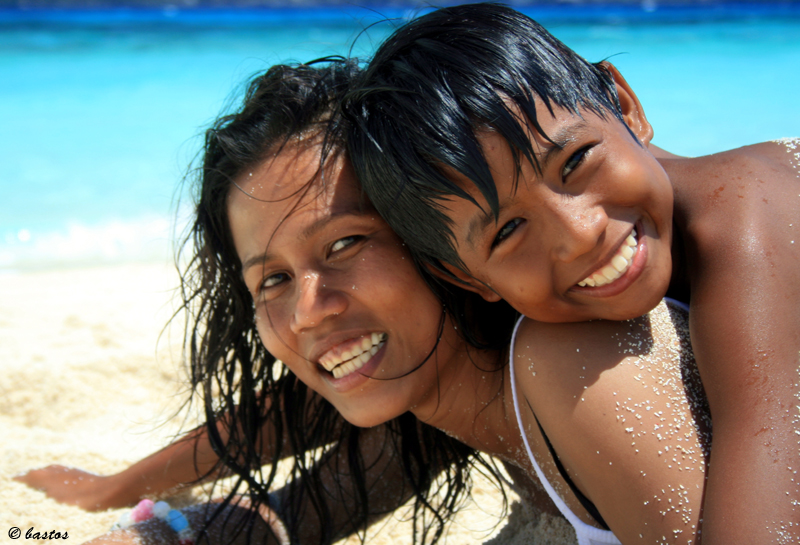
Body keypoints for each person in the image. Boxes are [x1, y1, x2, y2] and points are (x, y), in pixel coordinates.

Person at [20, 55, 709, 545]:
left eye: (345, 244)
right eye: (273, 280)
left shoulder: (578, 364)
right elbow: (294, 501)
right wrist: (127, 500)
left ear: (438, 238)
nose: (309, 310)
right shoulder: (439, 416)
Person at [344, 3, 800, 544]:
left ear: (626, 105)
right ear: (467, 277)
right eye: (509, 232)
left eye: (576, 162)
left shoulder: (750, 219)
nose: (580, 233)